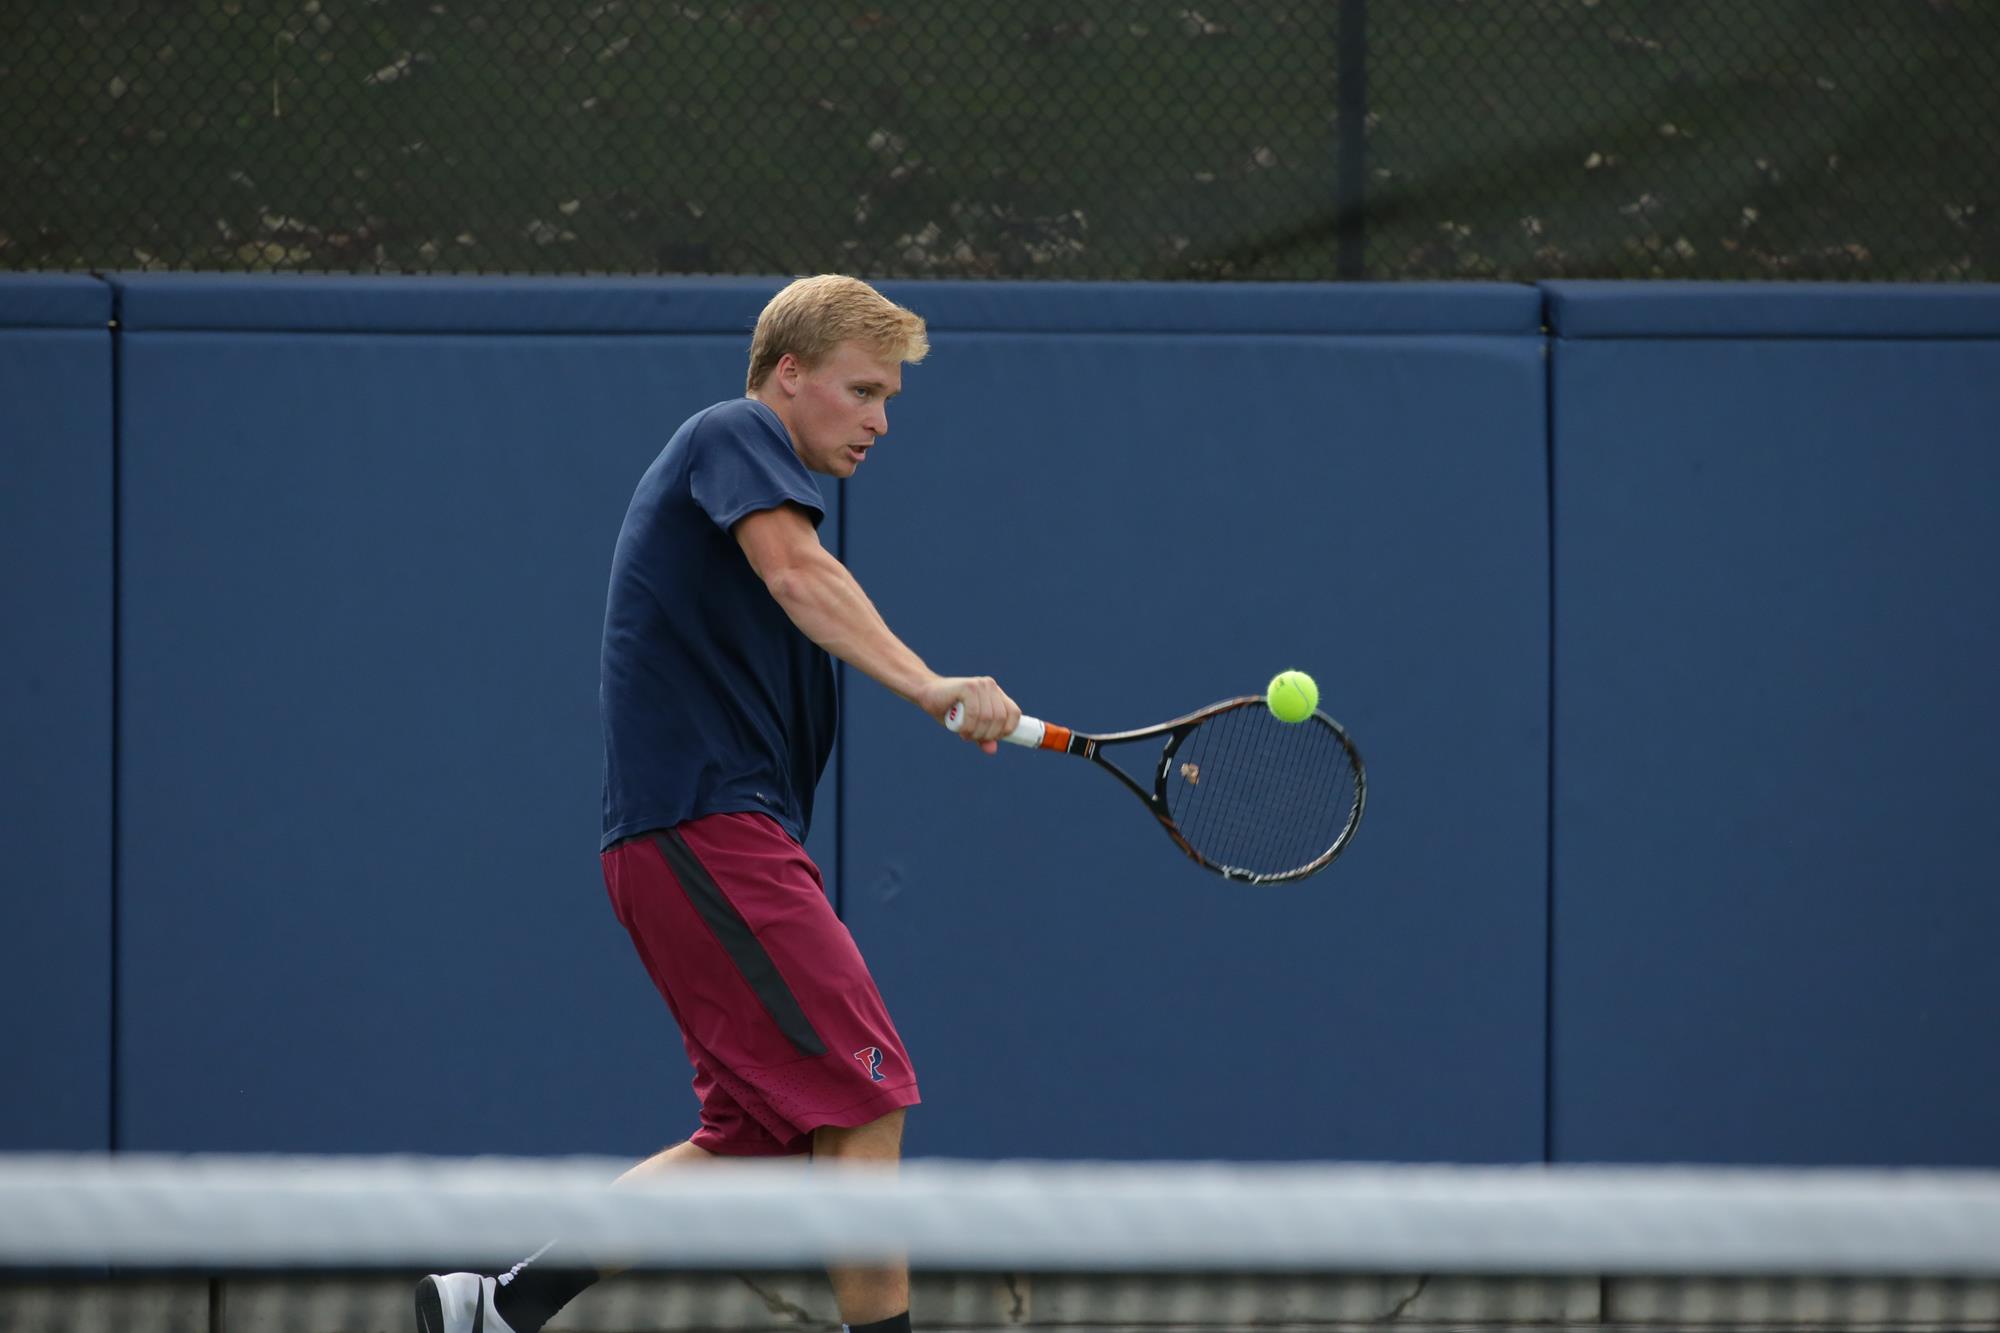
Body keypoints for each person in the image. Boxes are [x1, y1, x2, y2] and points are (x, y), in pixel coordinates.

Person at [416, 274, 1020, 1333]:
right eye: (862, 390)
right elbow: (798, 574)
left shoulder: (747, 485)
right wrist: (930, 685)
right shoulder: (733, 431)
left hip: (696, 842)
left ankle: (500, 1308)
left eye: (889, 399)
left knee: (756, 1137)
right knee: (868, 1095)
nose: (880, 420)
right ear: (787, 375)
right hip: (709, 832)